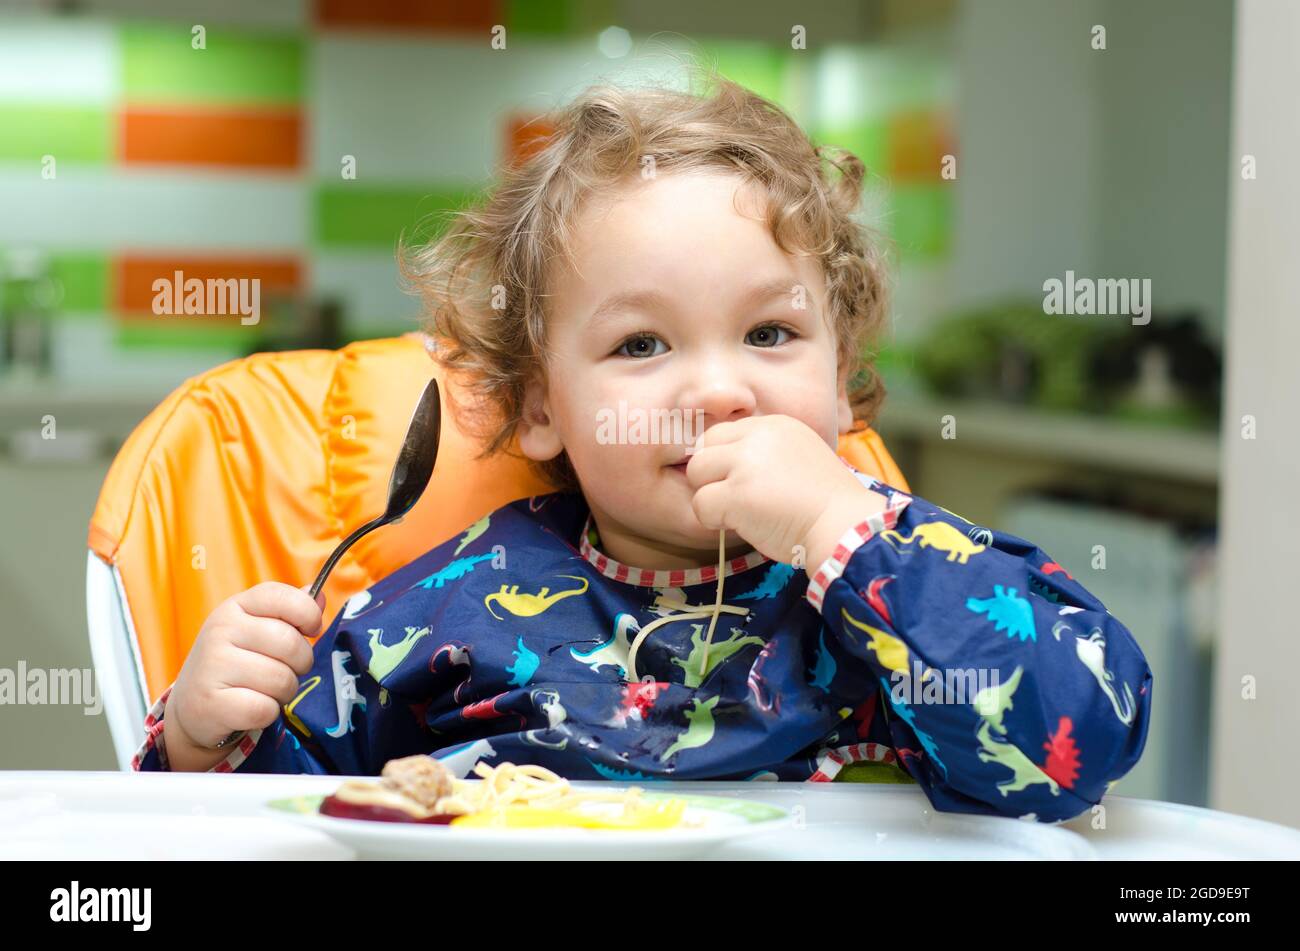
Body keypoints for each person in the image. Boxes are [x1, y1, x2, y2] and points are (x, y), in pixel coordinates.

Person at [134, 73, 1151, 824]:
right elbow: (271, 832)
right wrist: (198, 742)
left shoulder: (906, 573)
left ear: (842, 381)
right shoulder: (443, 610)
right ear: (540, 407)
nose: (717, 387)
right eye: (640, 344)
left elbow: (1082, 747)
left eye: (769, 334)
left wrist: (845, 531)